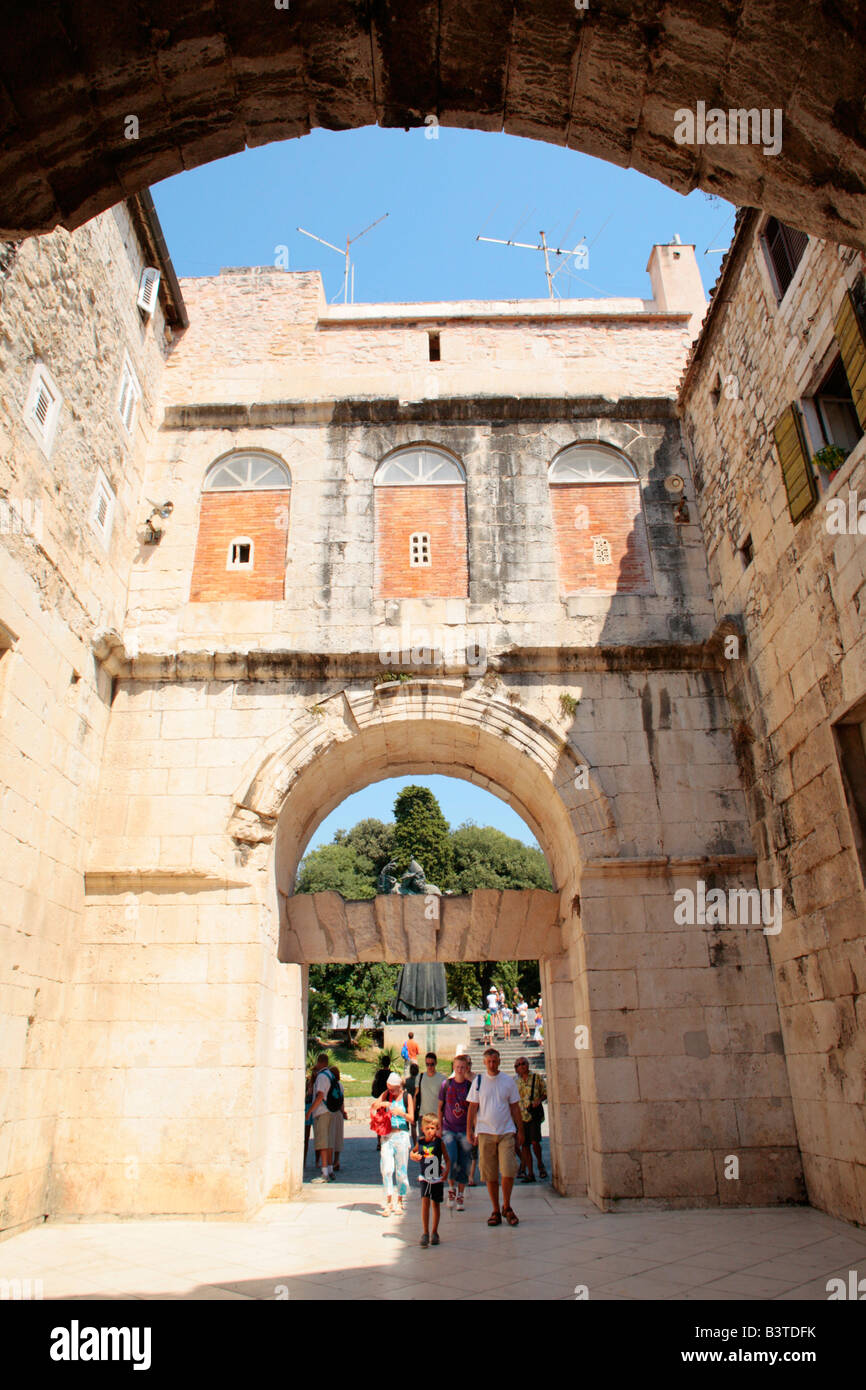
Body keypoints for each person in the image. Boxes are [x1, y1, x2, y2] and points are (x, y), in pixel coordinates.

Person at [466, 1047, 524, 1226]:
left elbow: (515, 1107)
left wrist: (520, 1130)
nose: (492, 1064)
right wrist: (469, 1130)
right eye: (489, 1061)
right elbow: (472, 1107)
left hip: (506, 1131)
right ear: (484, 1063)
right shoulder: (478, 1081)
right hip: (485, 1132)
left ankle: (507, 1205)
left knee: (508, 1170)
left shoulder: (508, 1081)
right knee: (489, 1173)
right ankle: (495, 1209)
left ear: (499, 1061)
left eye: (494, 1061)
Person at [370, 1072, 413, 1215]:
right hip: (388, 1136)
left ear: (399, 1086)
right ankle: (388, 1201)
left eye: (393, 1089)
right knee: (387, 1169)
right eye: (389, 1088)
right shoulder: (386, 1094)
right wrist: (384, 1103)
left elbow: (412, 1119)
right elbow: (375, 1105)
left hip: (401, 1135)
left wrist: (401, 1113)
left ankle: (400, 1200)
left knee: (402, 1171)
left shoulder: (407, 1097)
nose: (391, 1091)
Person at [438, 1053, 473, 1212]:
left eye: (462, 1067)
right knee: (451, 1159)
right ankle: (451, 1189)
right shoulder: (446, 1084)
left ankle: (460, 1193)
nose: (459, 1070)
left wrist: (474, 1130)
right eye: (457, 1067)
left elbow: (474, 1110)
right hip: (449, 1129)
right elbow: (440, 1107)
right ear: (453, 1067)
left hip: (464, 1130)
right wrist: (439, 1126)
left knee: (464, 1163)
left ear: (466, 1069)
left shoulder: (469, 1086)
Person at [410, 1113, 450, 1246]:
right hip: (425, 1178)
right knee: (425, 1203)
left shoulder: (439, 1142)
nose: (430, 1131)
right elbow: (413, 1152)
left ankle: (434, 1231)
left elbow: (447, 1159)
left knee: (435, 1204)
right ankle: (425, 1232)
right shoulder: (420, 1142)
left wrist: (446, 1173)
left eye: (433, 1128)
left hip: (437, 1178)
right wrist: (413, 1156)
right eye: (427, 1128)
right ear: (422, 1129)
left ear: (437, 1128)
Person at [514, 1058, 548, 1182]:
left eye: (523, 1063)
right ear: (516, 1068)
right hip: (521, 1116)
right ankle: (530, 1173)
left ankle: (540, 1164)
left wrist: (539, 1100)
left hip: (533, 1115)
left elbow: (545, 1092)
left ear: (528, 1065)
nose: (521, 1066)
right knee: (525, 1145)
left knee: (535, 1142)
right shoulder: (515, 1082)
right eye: (518, 1065)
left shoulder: (536, 1078)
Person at [307, 1052, 338, 1183]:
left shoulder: (321, 1077)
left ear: (319, 1062)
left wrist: (310, 1111)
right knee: (329, 1141)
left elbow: (320, 1095)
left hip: (321, 1111)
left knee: (322, 1142)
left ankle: (324, 1172)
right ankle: (330, 1169)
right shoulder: (331, 1074)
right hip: (330, 1110)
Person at [416, 1052, 443, 1127]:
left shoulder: (442, 1079)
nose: (429, 1066)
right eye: (427, 1064)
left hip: (436, 1117)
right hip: (423, 1116)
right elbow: (416, 1095)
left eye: (432, 1064)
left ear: (436, 1063)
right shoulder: (420, 1077)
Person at [329, 1065, 348, 1172]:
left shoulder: (330, 1084)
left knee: (331, 1136)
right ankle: (336, 1160)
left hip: (331, 1112)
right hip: (338, 1113)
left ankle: (330, 1161)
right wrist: (343, 1112)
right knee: (338, 1137)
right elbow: (341, 1100)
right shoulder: (340, 1085)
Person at [371, 1054, 391, 1153]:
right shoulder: (391, 1074)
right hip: (389, 1100)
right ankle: (388, 1139)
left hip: (380, 1100)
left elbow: (374, 1084)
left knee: (380, 1120)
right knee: (388, 1120)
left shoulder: (379, 1073)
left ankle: (379, 1142)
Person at [405, 1062, 420, 1144]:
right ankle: (415, 1143)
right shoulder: (419, 1081)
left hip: (408, 1105)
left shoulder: (407, 1081)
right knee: (414, 1126)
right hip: (417, 1105)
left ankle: (408, 1142)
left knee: (407, 1125)